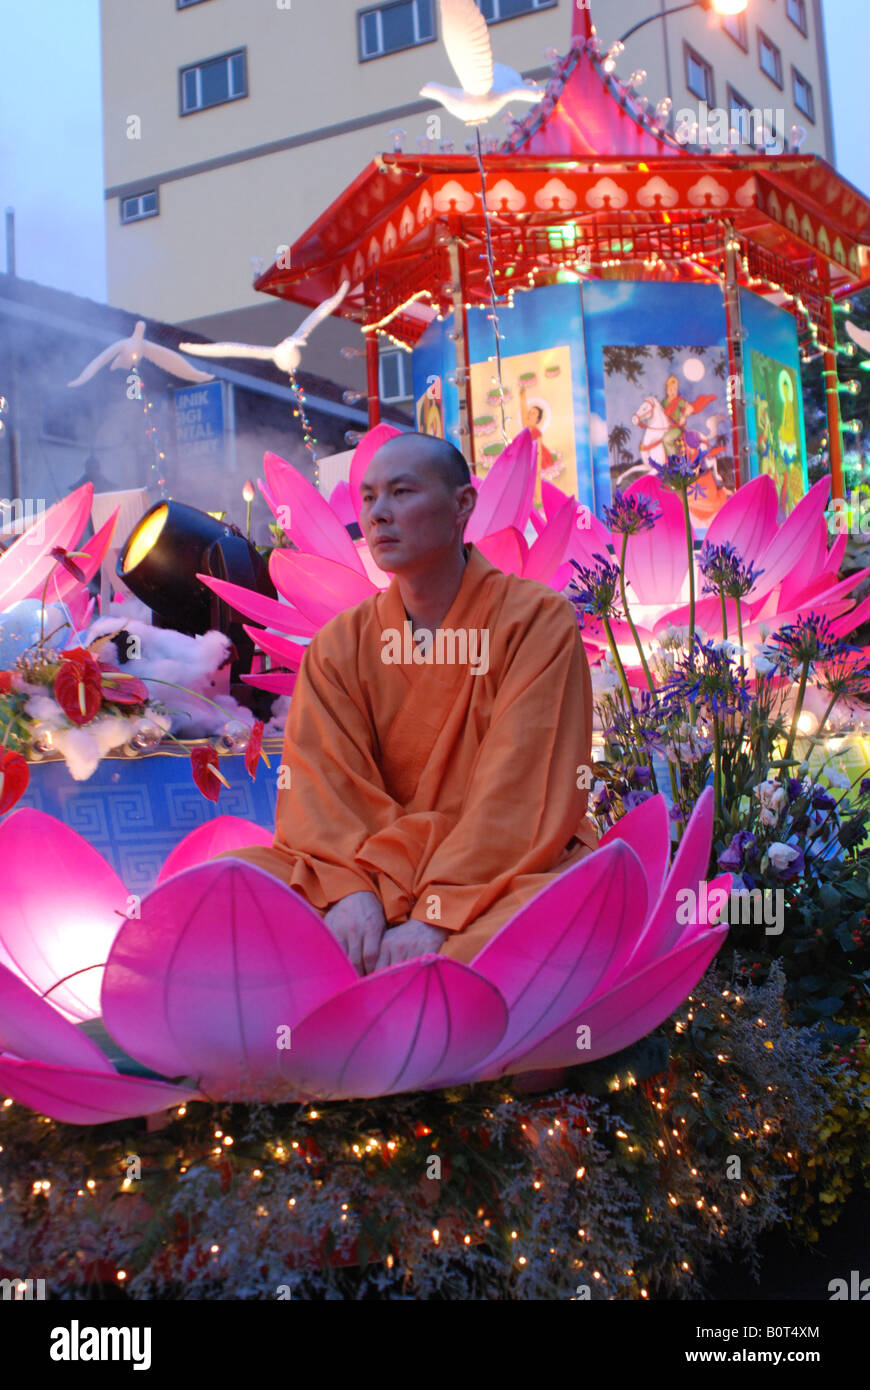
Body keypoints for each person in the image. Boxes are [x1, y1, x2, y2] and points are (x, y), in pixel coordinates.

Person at [219, 432, 596, 974]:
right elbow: (319, 788)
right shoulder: (340, 643)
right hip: (365, 870)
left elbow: (523, 793)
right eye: (369, 497)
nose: (378, 514)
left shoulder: (536, 621)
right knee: (229, 894)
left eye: (401, 492)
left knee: (514, 939)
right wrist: (351, 892)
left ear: (462, 505)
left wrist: (436, 914)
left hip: (499, 872)